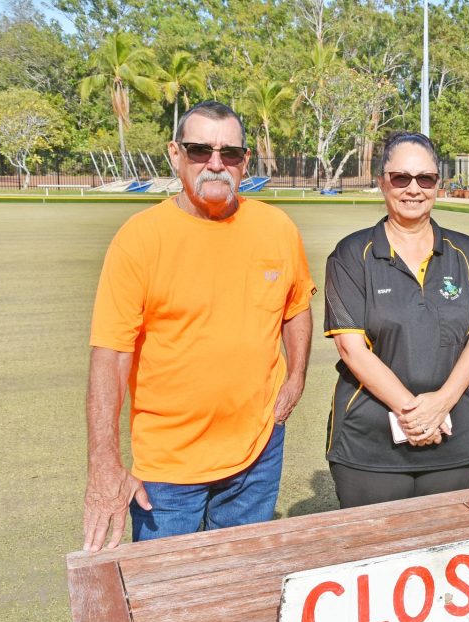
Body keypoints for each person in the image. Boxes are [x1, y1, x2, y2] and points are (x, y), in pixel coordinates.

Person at [82, 101, 315, 551]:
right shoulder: (140, 238)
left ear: (245, 160)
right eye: (199, 150)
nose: (215, 164)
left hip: (258, 451)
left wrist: (297, 376)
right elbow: (110, 354)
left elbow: (296, 305)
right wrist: (104, 464)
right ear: (175, 154)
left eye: (229, 153)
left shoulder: (276, 227)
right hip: (169, 469)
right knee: (166, 602)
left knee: (240, 586)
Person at [323, 131, 469, 508]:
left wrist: (440, 405)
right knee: (375, 553)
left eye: (426, 178)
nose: (413, 189)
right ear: (381, 180)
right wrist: (415, 415)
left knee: (444, 552)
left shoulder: (465, 251)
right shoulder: (352, 254)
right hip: (370, 444)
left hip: (453, 434)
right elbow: (351, 349)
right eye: (401, 177)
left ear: (438, 182)